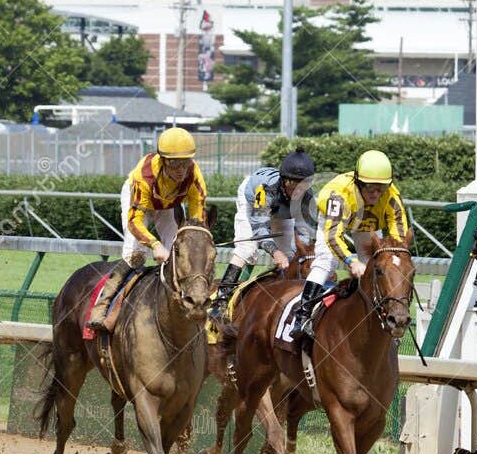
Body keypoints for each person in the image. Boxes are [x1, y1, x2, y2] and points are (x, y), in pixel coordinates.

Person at [87, 126, 207, 330]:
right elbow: (135, 222)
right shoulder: (145, 176)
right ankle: (102, 306)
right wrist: (154, 244)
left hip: (167, 205)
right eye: (175, 163)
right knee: (135, 255)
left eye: (185, 162)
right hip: (139, 203)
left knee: (181, 251)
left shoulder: (194, 175)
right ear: (163, 160)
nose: (181, 169)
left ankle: (183, 301)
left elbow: (197, 219)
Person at [287, 149, 411, 341]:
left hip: (366, 226)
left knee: (378, 265)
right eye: (370, 187)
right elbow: (333, 237)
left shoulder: (392, 198)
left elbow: (398, 240)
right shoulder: (339, 196)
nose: (376, 193)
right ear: (358, 182)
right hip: (335, 225)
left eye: (381, 188)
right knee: (325, 262)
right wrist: (351, 261)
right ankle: (302, 315)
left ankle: (382, 314)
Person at [211, 147, 315, 318]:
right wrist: (275, 252)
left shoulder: (307, 198)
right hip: (252, 201)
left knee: (291, 253)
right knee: (247, 250)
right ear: (283, 180)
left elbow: (306, 234)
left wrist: (301, 251)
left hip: (280, 210)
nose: (295, 191)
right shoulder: (265, 190)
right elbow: (260, 229)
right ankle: (221, 300)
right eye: (291, 183)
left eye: (301, 185)